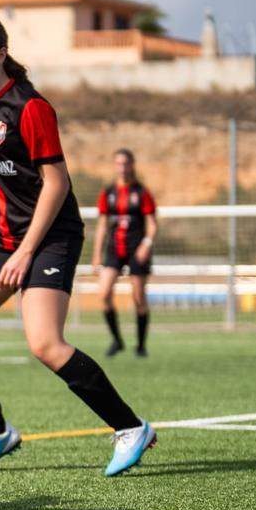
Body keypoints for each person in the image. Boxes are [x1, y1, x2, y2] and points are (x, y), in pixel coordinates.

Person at [0, 13, 156, 477]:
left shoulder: (31, 107)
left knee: (45, 343)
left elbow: (56, 183)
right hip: (5, 236)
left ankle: (130, 428)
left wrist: (27, 251)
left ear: (0, 52)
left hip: (50, 236)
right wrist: (10, 243)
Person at [92, 149, 158, 358]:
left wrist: (146, 244)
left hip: (136, 249)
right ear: (115, 166)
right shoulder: (108, 192)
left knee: (138, 298)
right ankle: (117, 340)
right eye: (118, 164)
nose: (122, 168)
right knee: (103, 294)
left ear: (132, 165)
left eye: (125, 163)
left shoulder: (141, 192)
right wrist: (96, 255)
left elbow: (153, 224)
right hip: (114, 249)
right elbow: (102, 226)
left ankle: (140, 345)